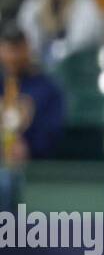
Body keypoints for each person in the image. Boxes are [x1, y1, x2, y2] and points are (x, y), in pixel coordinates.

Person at [0, 22, 65, 165]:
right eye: (8, 50)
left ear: (27, 49)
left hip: (33, 169)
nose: (13, 57)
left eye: (17, 49)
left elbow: (52, 133)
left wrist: (28, 148)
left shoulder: (47, 88)